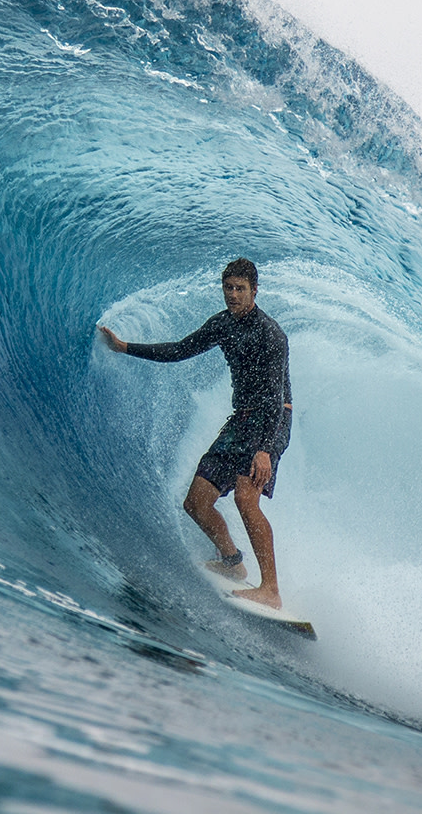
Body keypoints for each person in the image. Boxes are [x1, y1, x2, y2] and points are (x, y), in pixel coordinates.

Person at [98, 258, 293, 609]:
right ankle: (232, 562)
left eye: (240, 289)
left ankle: (271, 590)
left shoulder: (271, 335)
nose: (233, 295)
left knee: (245, 498)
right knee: (197, 503)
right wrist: (124, 347)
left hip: (271, 421)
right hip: (242, 420)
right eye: (228, 288)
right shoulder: (223, 324)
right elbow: (179, 350)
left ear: (254, 291)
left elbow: (275, 399)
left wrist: (265, 449)